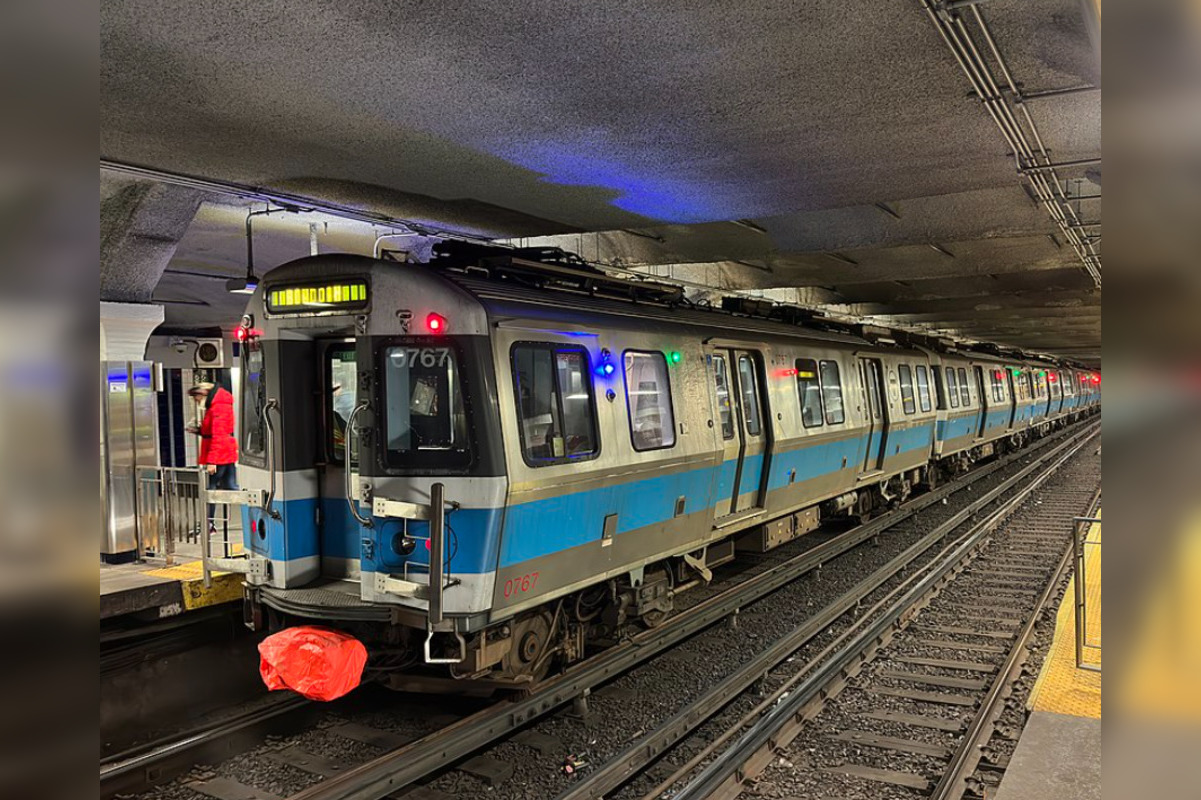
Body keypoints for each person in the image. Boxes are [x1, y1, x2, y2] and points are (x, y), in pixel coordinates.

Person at [187, 382, 237, 533]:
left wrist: (212, 461)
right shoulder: (217, 404)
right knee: (231, 487)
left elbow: (219, 435)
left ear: (203, 393)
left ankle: (208, 524)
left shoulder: (218, 407)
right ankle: (258, 508)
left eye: (196, 398)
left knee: (210, 488)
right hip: (225, 451)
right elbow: (213, 431)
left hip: (220, 454)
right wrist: (198, 430)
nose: (196, 402)